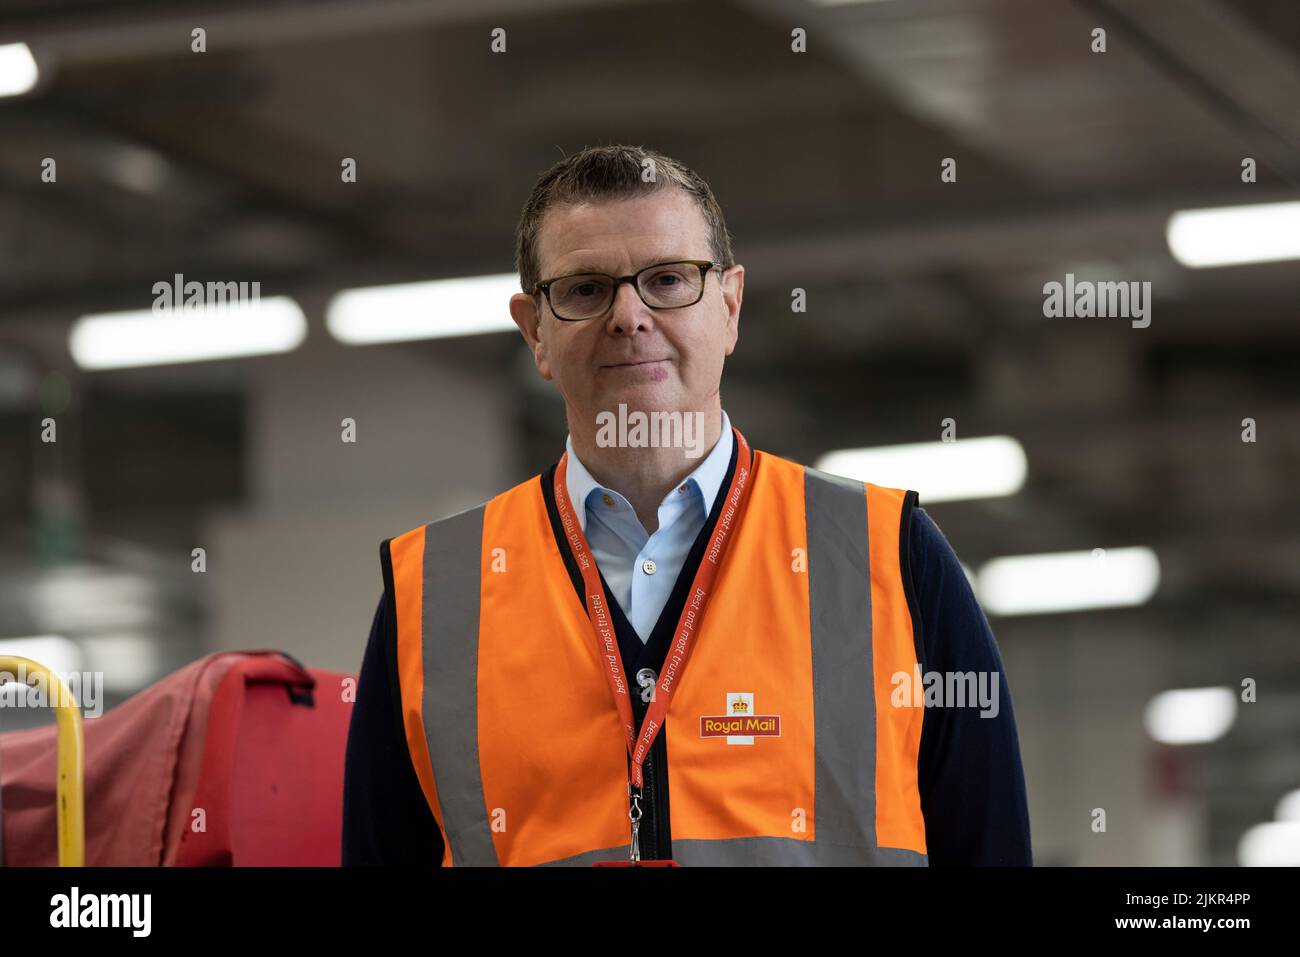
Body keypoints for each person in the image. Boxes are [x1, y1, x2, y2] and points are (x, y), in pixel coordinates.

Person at [342, 144, 1031, 867]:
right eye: (584, 289)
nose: (628, 316)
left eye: (668, 280)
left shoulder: (891, 555)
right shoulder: (435, 594)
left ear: (729, 306)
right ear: (535, 331)